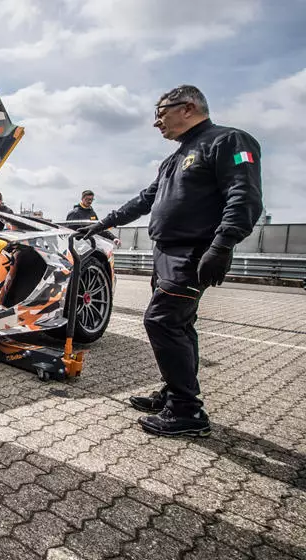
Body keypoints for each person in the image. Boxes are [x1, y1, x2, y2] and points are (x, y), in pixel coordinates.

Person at [80, 85, 262, 437]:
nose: (156, 122)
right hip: (166, 252)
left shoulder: (229, 141)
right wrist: (105, 222)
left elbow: (244, 195)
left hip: (193, 253)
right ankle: (172, 392)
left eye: (160, 112)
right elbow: (147, 198)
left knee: (162, 322)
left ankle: (187, 410)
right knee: (179, 325)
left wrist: (222, 245)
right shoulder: (176, 156)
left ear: (188, 107)